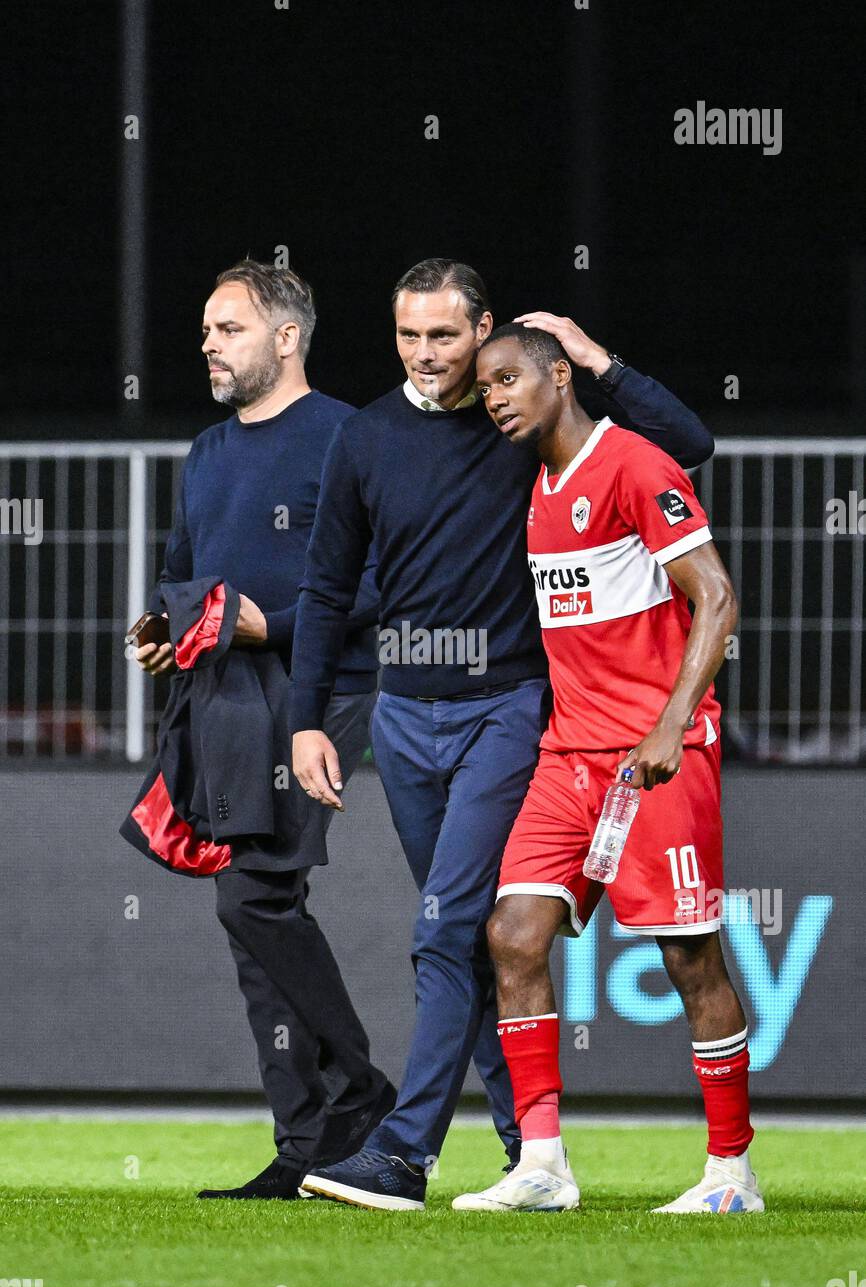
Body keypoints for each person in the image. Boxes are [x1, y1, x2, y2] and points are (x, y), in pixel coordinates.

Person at [292, 259, 716, 1211]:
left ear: (484, 332)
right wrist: (305, 721)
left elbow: (689, 444)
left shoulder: (515, 418)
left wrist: (594, 358)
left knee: (444, 928)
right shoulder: (365, 435)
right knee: (478, 940)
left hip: (510, 711)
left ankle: (403, 1155)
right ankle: (531, 1151)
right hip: (402, 720)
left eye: (444, 335)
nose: (425, 353)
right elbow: (326, 589)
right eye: (408, 334)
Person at [453, 322, 762, 1215]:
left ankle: (731, 1174)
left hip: (653, 757)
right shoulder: (540, 489)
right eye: (486, 387)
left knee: (689, 958)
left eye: (509, 378)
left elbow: (718, 597)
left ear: (560, 375)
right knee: (513, 934)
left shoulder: (632, 464)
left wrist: (672, 725)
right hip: (569, 757)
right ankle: (542, 1165)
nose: (495, 398)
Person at [134, 259, 395, 1199]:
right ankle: (306, 1144)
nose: (208, 343)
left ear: (287, 338)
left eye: (229, 327)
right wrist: (165, 629)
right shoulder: (207, 450)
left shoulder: (348, 436)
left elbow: (381, 582)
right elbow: (184, 571)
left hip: (315, 690)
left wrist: (271, 629)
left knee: (254, 896)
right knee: (248, 918)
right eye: (206, 329)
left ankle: (361, 1092)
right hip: (221, 690)